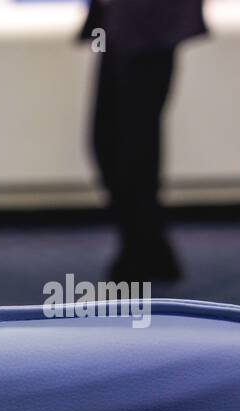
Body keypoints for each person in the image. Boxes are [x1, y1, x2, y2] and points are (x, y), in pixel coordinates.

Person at [81, 0, 207, 282]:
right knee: (113, 140)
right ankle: (148, 248)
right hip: (124, 22)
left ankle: (143, 251)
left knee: (131, 143)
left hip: (147, 22)